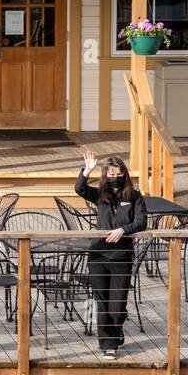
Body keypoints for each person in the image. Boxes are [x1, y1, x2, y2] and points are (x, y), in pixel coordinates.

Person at [77, 151, 147, 358]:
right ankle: (109, 344)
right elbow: (79, 189)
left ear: (124, 174)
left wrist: (123, 230)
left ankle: (115, 332)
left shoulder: (134, 196)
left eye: (117, 173)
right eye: (110, 173)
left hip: (121, 255)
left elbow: (142, 221)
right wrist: (87, 170)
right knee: (101, 300)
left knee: (117, 303)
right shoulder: (100, 194)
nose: (114, 177)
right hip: (98, 255)